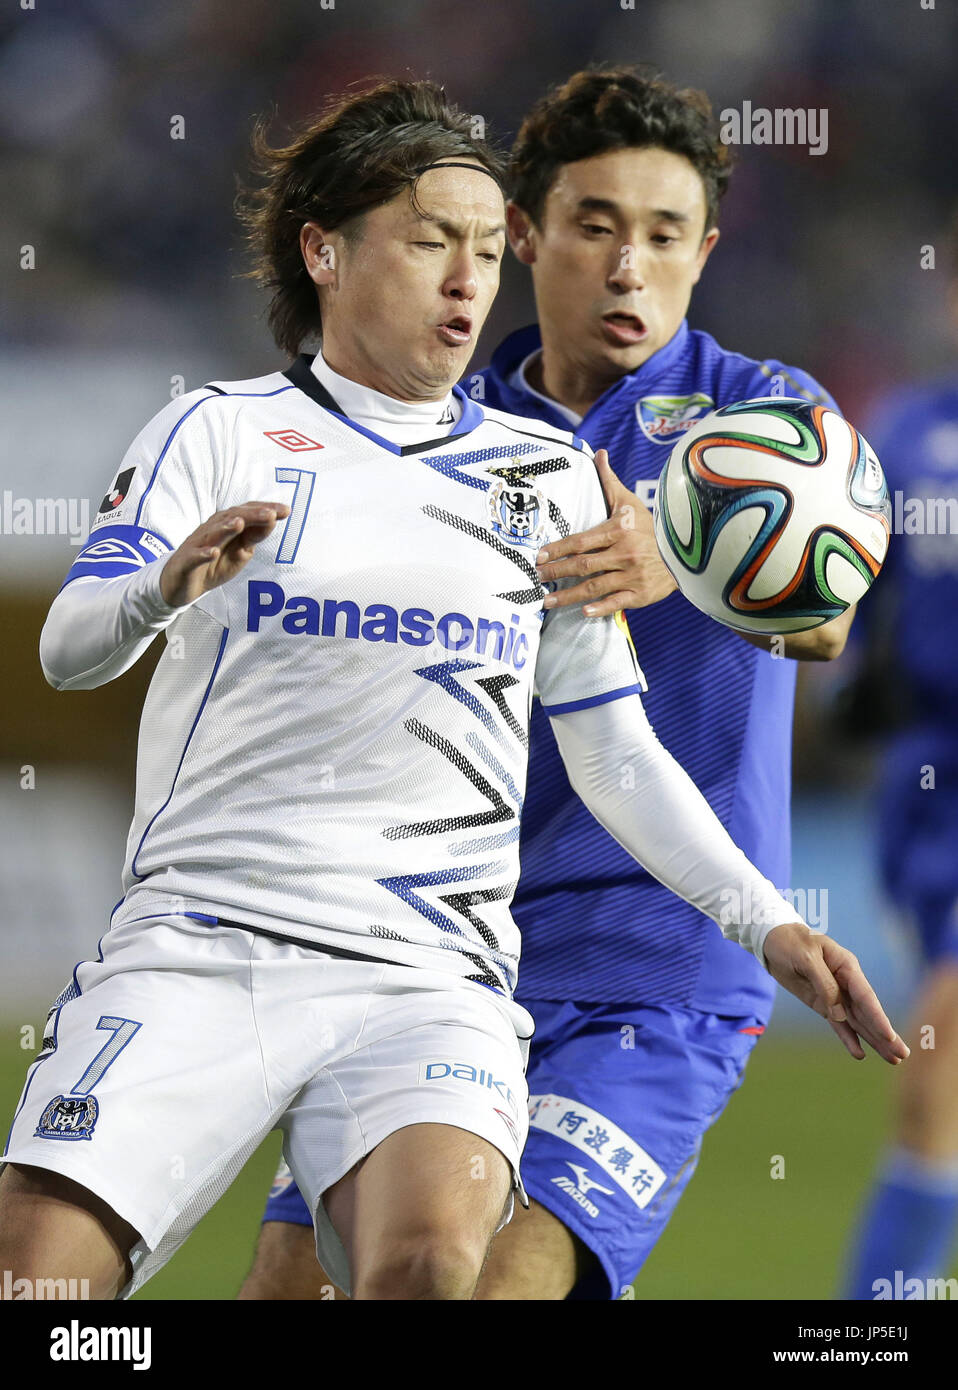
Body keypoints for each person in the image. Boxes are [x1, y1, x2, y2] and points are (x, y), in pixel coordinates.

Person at [237, 68, 899, 1305]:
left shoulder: (763, 420)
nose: (627, 266)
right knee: (291, 1286)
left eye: (661, 235)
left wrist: (688, 558)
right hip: (439, 955)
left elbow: (830, 623)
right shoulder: (445, 421)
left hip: (657, 961)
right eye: (594, 226)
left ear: (703, 250)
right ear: (526, 234)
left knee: (497, 1284)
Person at [840, 257, 958, 1297]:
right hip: (922, 793)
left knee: (941, 1053)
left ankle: (874, 1319)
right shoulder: (904, 437)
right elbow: (840, 610)